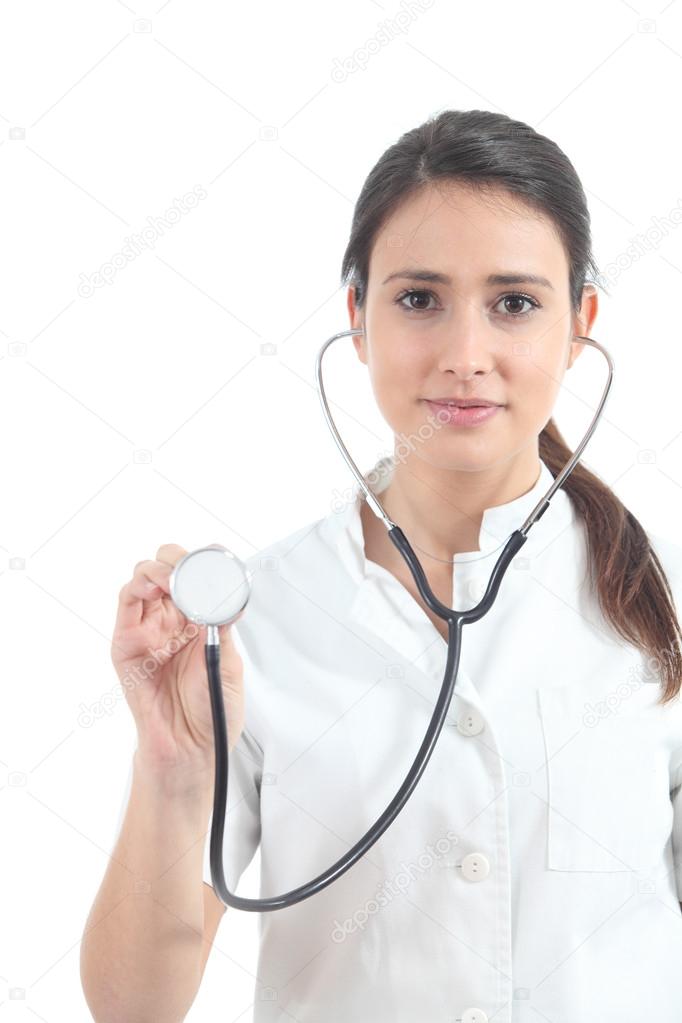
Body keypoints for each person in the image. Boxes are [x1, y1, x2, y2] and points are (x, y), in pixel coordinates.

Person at [80, 108, 682, 1022]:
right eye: (418, 299)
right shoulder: (251, 624)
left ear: (579, 321)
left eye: (514, 302)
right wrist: (173, 770)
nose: (464, 356)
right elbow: (134, 1008)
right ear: (357, 317)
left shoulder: (656, 600)